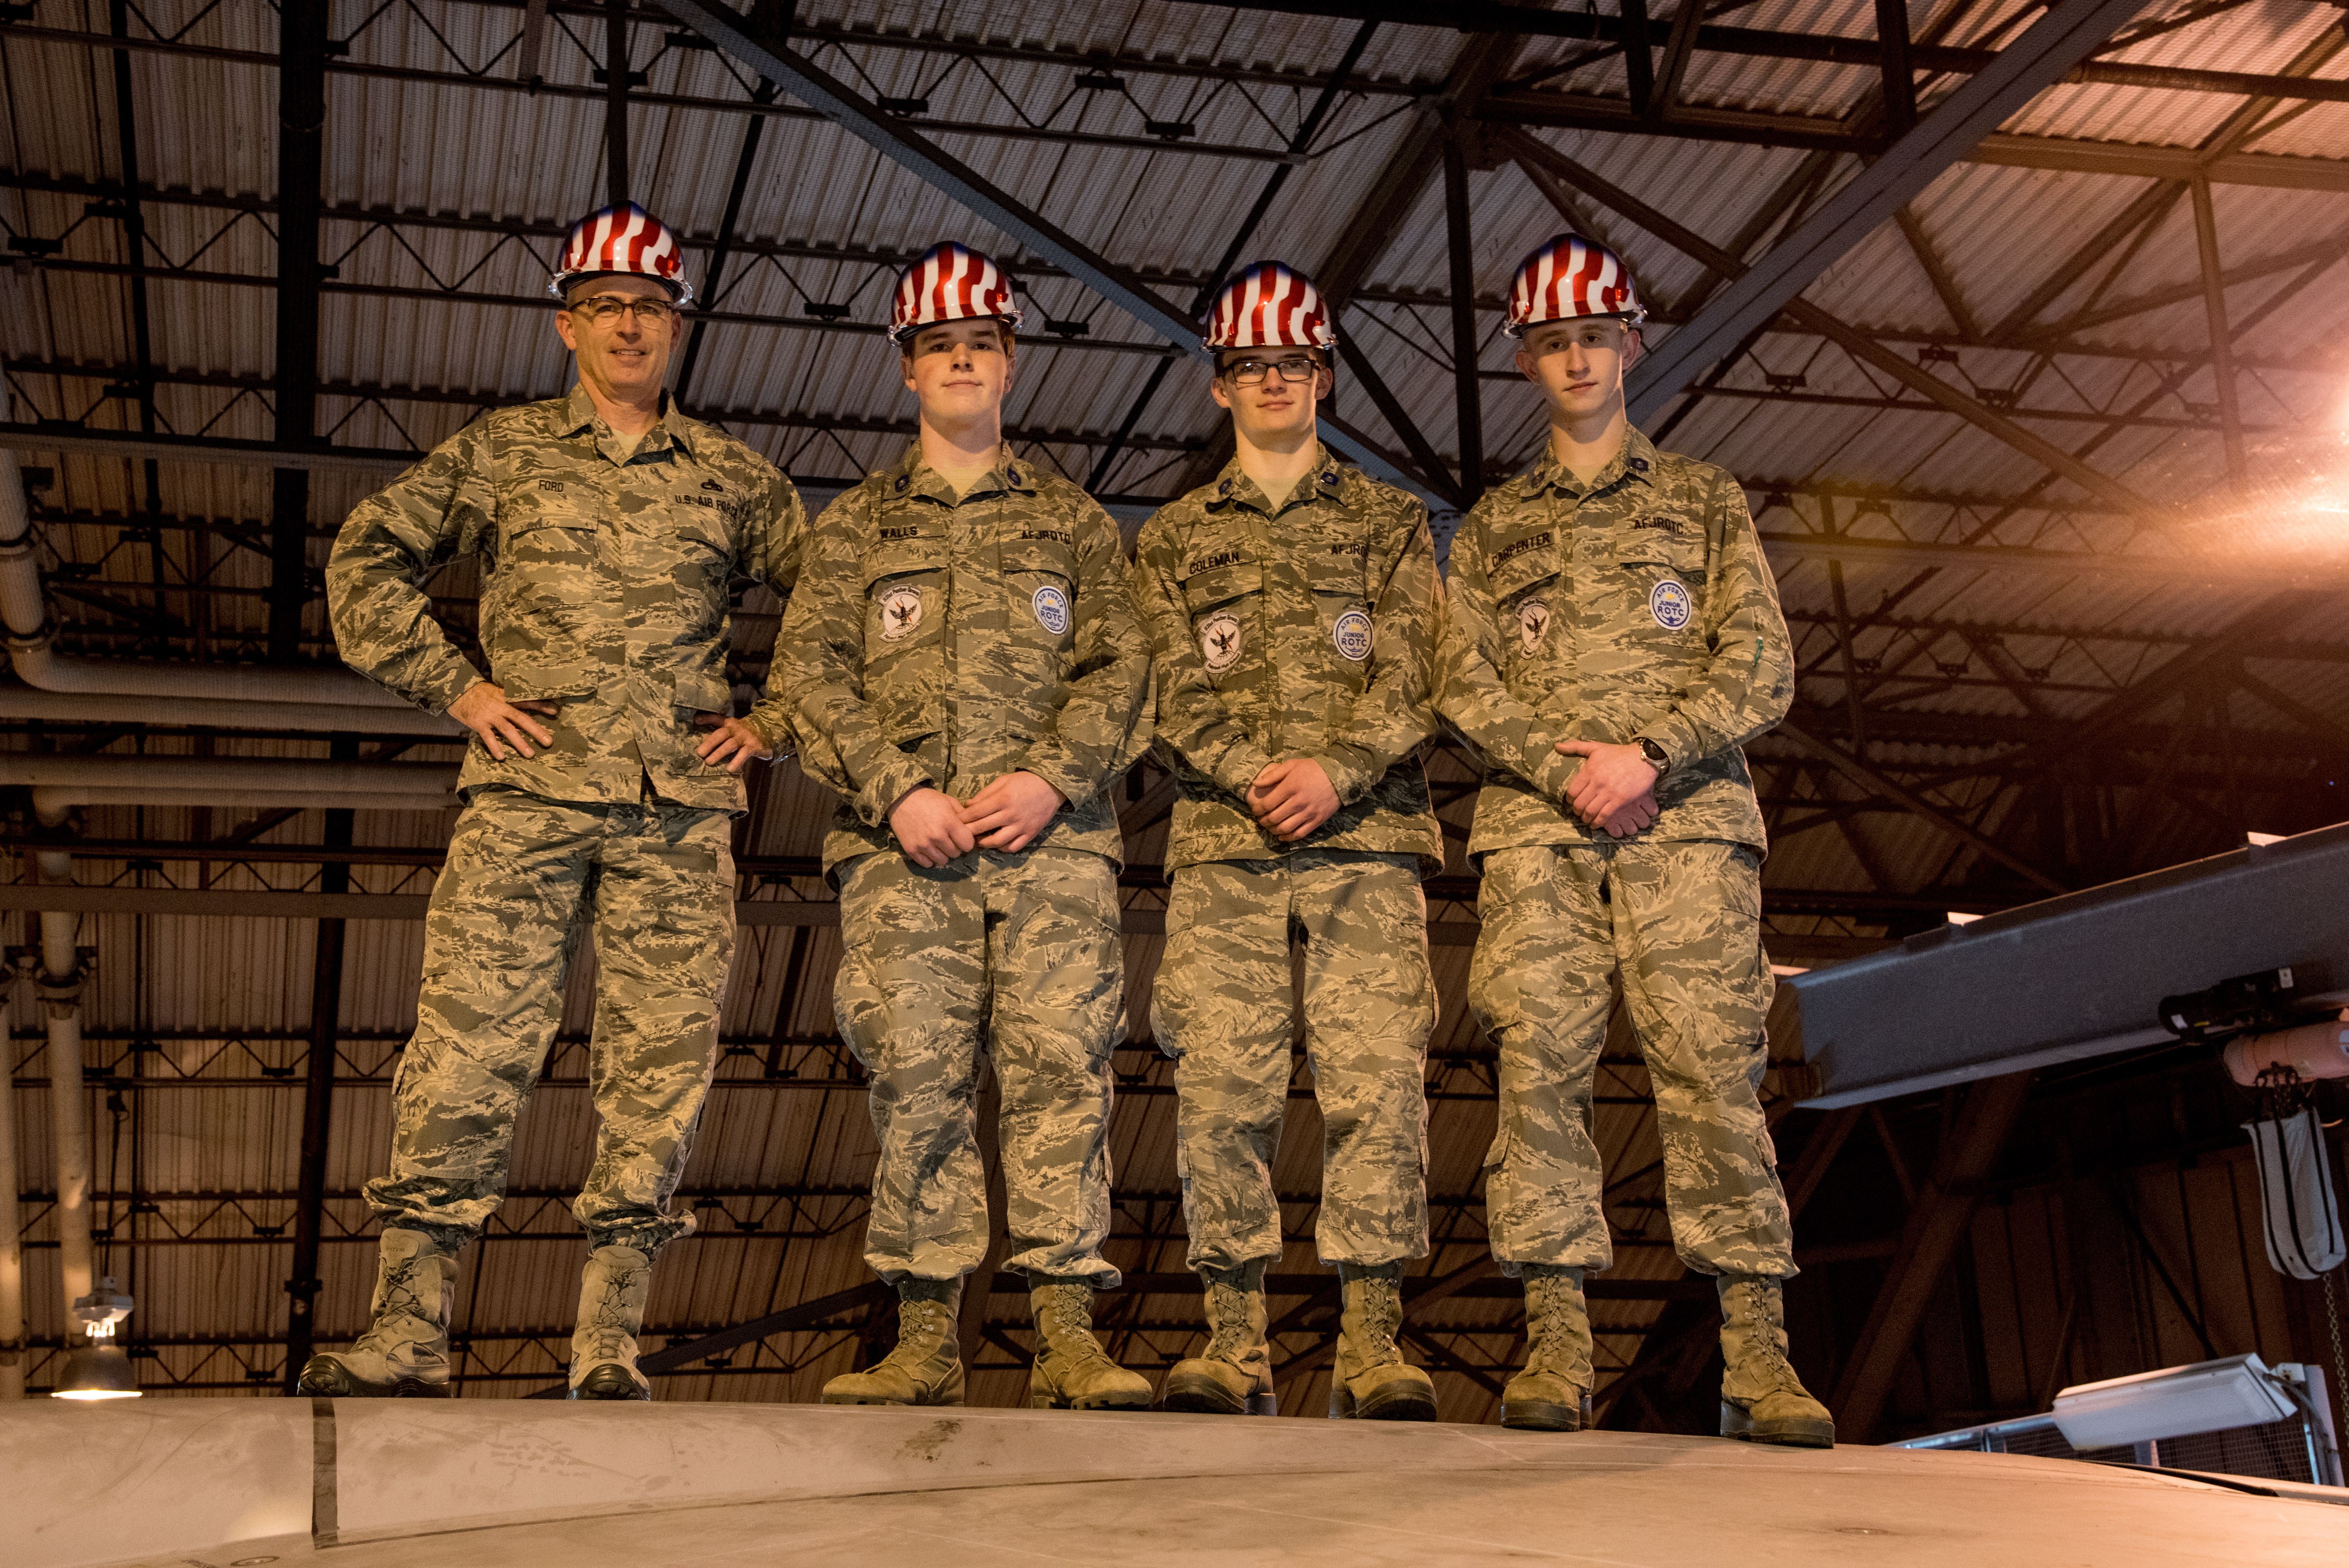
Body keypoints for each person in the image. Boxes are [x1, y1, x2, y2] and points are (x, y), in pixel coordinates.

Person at [310, 200, 805, 1401]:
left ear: (675, 327)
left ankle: (607, 1341)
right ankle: (410, 1331)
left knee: (659, 1063)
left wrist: (774, 723)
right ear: (565, 325)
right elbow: (367, 559)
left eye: (649, 309)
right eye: (606, 309)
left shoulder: (737, 479)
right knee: (467, 1052)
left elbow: (835, 617)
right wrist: (458, 688)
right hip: (526, 796)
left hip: (676, 810)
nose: (629, 329)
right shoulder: (503, 452)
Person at [1436, 234, 1832, 1447]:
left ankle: (1758, 1360)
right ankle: (1556, 1347)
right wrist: (1574, 777)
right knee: (1540, 1076)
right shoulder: (1494, 526)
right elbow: (1461, 680)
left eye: (1591, 338)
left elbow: (1761, 662)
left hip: (1687, 828)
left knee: (1712, 1075)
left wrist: (1648, 757)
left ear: (1630, 347)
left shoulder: (1703, 502)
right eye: (1550, 342)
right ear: (1524, 359)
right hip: (1540, 834)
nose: (1573, 360)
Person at [778, 241, 1154, 1411]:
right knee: (919, 1079)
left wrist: (1050, 776)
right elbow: (806, 674)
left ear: (1008, 364)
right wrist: (896, 789)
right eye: (937, 346)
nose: (959, 363)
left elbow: (1123, 668)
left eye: (978, 345)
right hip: (904, 857)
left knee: (1060, 1070)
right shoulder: (851, 530)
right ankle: (926, 1339)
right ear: (906, 368)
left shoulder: (1074, 522)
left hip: (1055, 849)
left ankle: (1066, 1339)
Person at [1127, 262, 1445, 1421]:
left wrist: (1336, 770)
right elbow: (1157, 683)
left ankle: (1371, 1343)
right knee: (1222, 1088)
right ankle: (1232, 1340)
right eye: (1250, 366)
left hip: (1367, 838)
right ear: (1219, 387)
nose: (1272, 382)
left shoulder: (1386, 521)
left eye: (1292, 364)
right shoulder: (1168, 539)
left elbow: (1422, 667)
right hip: (1223, 842)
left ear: (1322, 377)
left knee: (1374, 1082)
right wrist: (1250, 774)